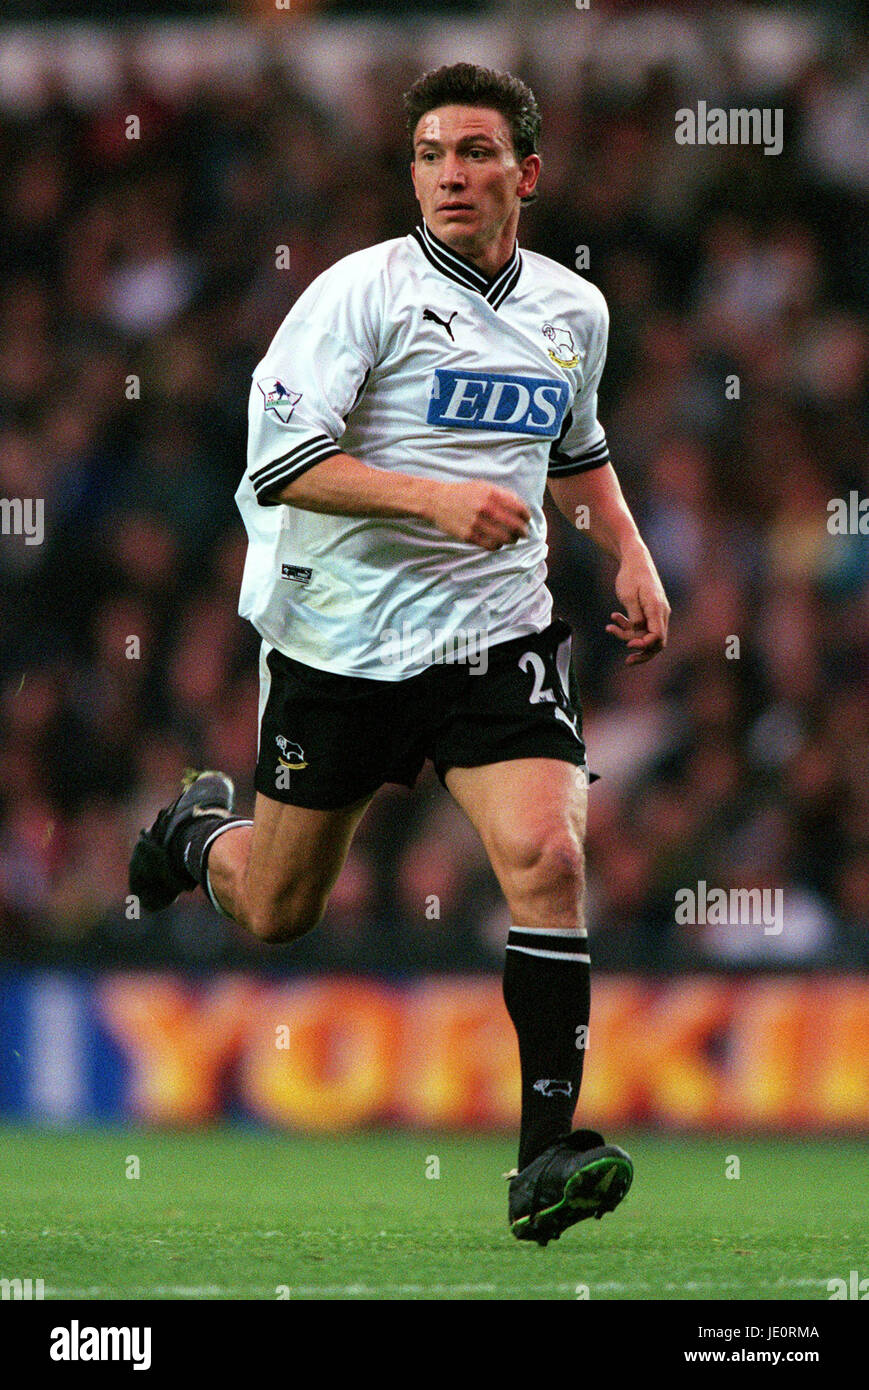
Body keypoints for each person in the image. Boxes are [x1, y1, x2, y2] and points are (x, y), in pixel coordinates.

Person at [130, 62, 670, 1245]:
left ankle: (544, 1160)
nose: (449, 175)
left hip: (496, 639)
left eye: (474, 153)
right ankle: (192, 833)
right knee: (278, 910)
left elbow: (573, 446)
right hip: (344, 648)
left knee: (547, 858)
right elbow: (282, 465)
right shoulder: (354, 296)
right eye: (429, 154)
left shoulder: (571, 311)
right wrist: (432, 500)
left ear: (525, 173)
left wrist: (626, 548)